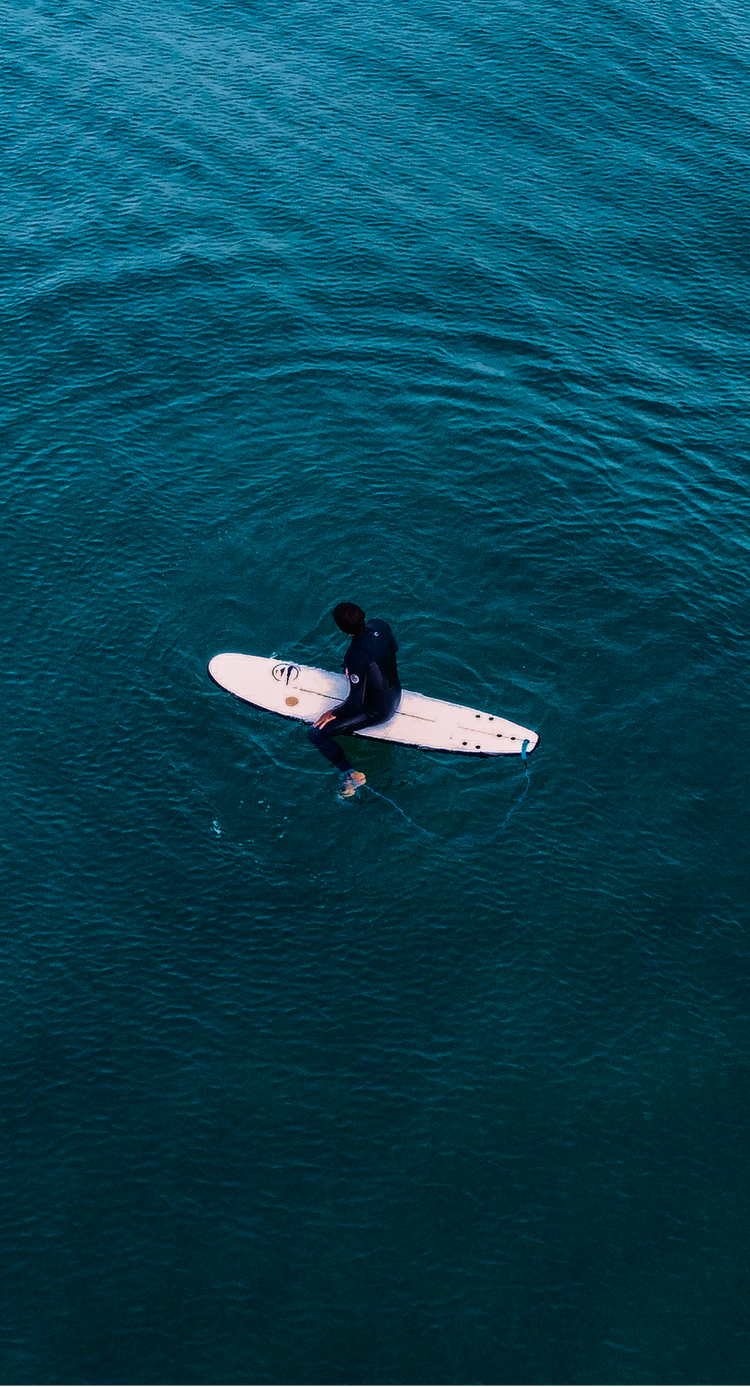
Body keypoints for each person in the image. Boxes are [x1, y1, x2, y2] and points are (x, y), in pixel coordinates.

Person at [308, 603, 401, 798]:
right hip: (396, 693)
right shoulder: (381, 625)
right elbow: (393, 649)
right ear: (363, 615)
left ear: (342, 629)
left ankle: (351, 775)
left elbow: (355, 702)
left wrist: (333, 712)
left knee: (316, 733)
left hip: (378, 711)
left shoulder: (355, 654)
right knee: (349, 666)